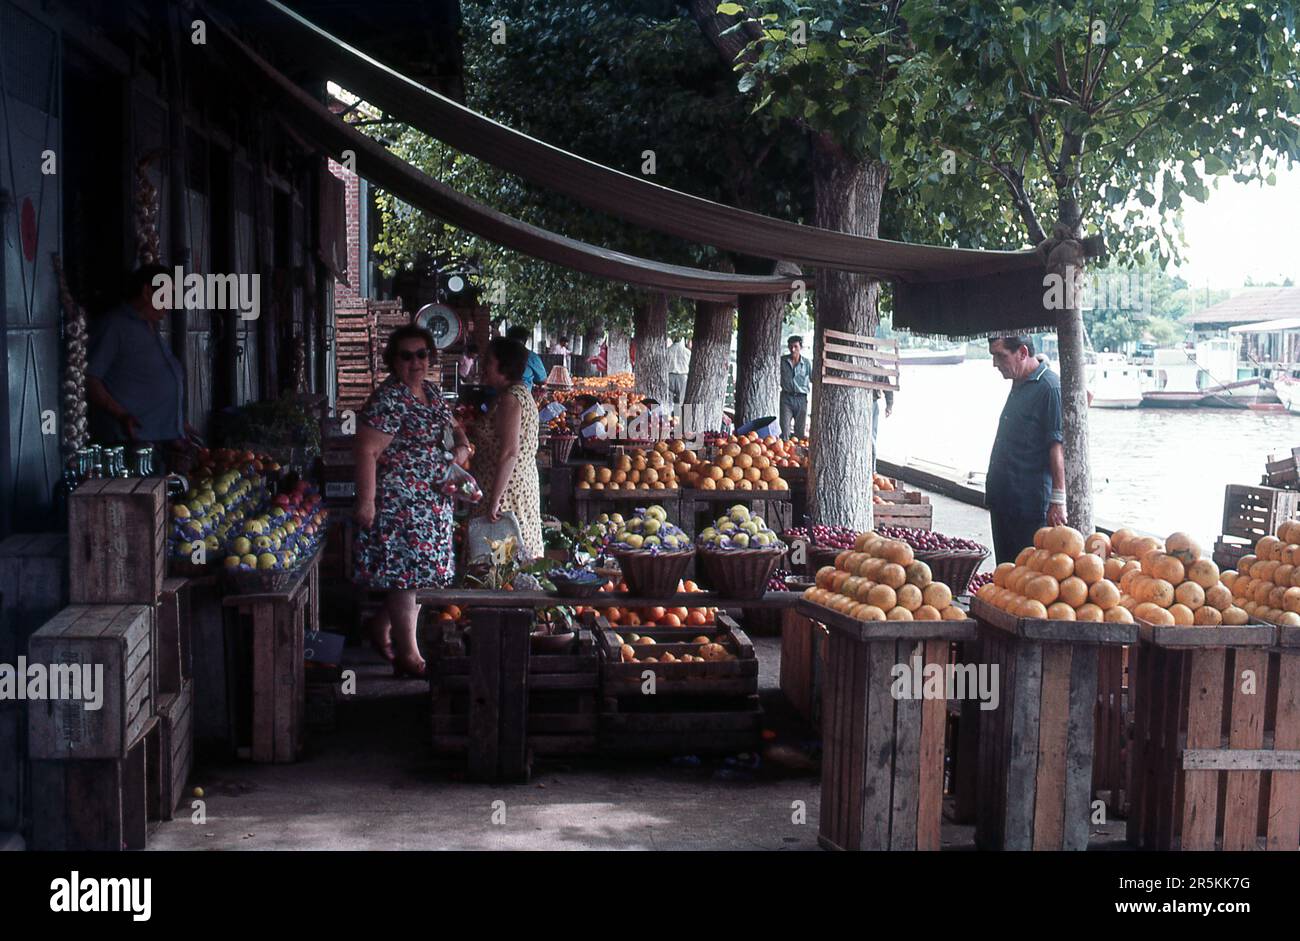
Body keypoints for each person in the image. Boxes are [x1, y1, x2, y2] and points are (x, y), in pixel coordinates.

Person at [354, 324, 471, 677]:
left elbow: (453, 428)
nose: (415, 362)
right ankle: (409, 655)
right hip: (400, 502)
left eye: (421, 354)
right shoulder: (389, 398)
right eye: (406, 355)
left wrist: (462, 447)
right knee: (407, 576)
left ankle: (381, 625)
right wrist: (366, 501)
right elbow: (367, 449)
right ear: (393, 360)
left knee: (419, 575)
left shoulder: (431, 393)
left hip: (432, 502)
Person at [87, 264, 195, 470]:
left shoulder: (149, 327)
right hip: (129, 445)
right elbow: (91, 379)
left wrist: (177, 423)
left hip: (156, 442)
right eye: (167, 295)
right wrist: (121, 414)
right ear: (147, 292)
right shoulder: (114, 325)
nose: (171, 304)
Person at [986, 335, 1066, 564]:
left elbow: (1056, 447)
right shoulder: (1019, 381)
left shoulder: (1050, 388)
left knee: (1027, 574)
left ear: (1022, 352)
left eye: (1001, 356)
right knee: (1006, 574)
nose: (995, 364)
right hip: (1003, 498)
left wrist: (1058, 500)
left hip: (1028, 505)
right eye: (993, 356)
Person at [472, 337, 543, 560]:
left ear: (505, 365)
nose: (483, 366)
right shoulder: (516, 394)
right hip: (513, 487)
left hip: (506, 493)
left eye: (489, 361)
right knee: (505, 562)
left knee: (501, 564)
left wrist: (495, 501)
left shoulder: (511, 399)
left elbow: (510, 452)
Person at [780, 335, 812, 439]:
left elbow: (813, 379)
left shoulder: (807, 363)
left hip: (801, 399)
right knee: (784, 429)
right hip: (786, 398)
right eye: (790, 347)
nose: (793, 349)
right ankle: (783, 452)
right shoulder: (782, 361)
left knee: (800, 431)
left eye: (795, 346)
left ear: (800, 347)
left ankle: (797, 454)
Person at [870, 387, 894, 480]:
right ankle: (872, 472)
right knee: (870, 439)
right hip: (865, 400)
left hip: (873, 403)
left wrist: (889, 405)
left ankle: (872, 471)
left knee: (871, 439)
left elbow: (886, 384)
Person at [667, 336, 690, 404]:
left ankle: (669, 413)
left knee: (669, 400)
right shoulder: (687, 352)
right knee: (681, 400)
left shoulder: (667, 351)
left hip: (669, 376)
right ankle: (679, 414)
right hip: (683, 377)